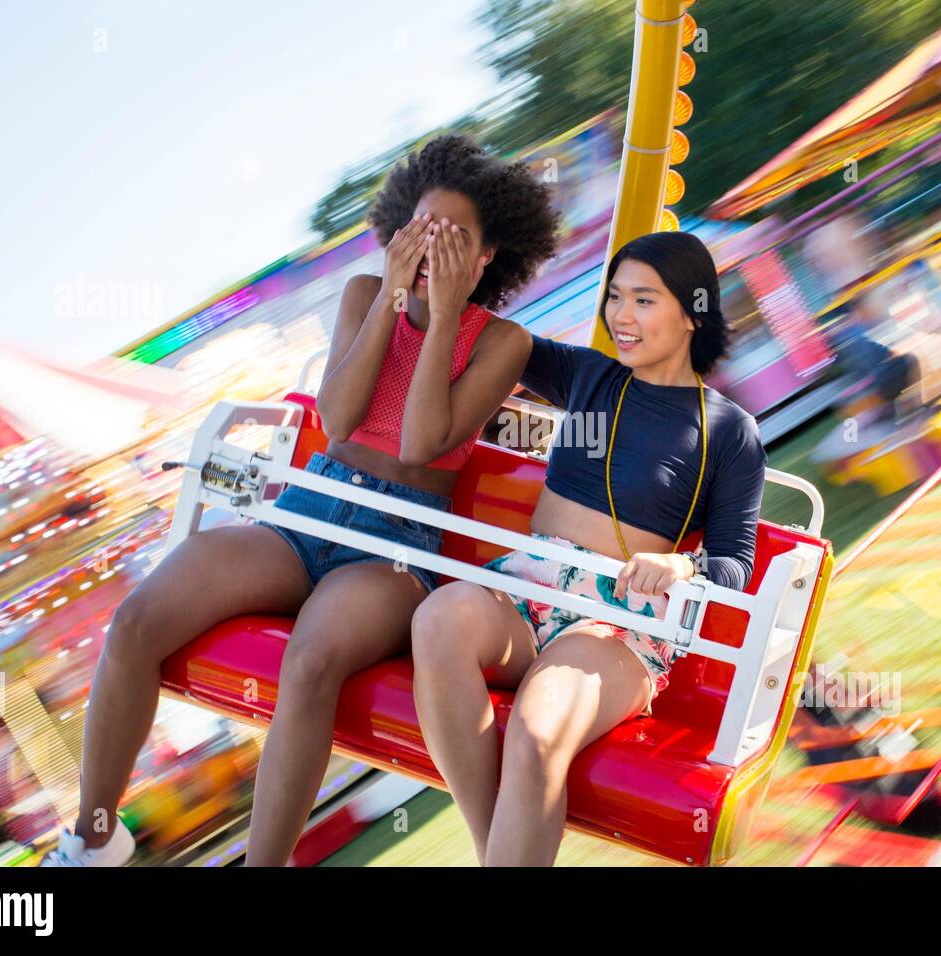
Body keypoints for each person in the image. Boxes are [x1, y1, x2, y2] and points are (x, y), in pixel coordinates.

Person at [41, 134, 559, 866]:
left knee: (312, 661)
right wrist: (389, 298)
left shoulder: (501, 341)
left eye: (454, 241)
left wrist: (442, 318)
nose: (431, 252)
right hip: (310, 513)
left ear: (485, 258)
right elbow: (340, 419)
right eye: (422, 230)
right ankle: (93, 840)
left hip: (394, 552)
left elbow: (419, 445)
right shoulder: (361, 294)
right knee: (136, 619)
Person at [410, 231, 767, 866]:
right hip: (525, 588)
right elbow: (486, 336)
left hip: (618, 621)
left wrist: (681, 564)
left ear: (692, 312)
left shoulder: (730, 431)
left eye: (644, 300)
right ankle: (491, 845)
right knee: (437, 619)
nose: (621, 317)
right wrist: (452, 262)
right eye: (615, 297)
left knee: (539, 730)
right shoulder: (588, 375)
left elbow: (736, 565)